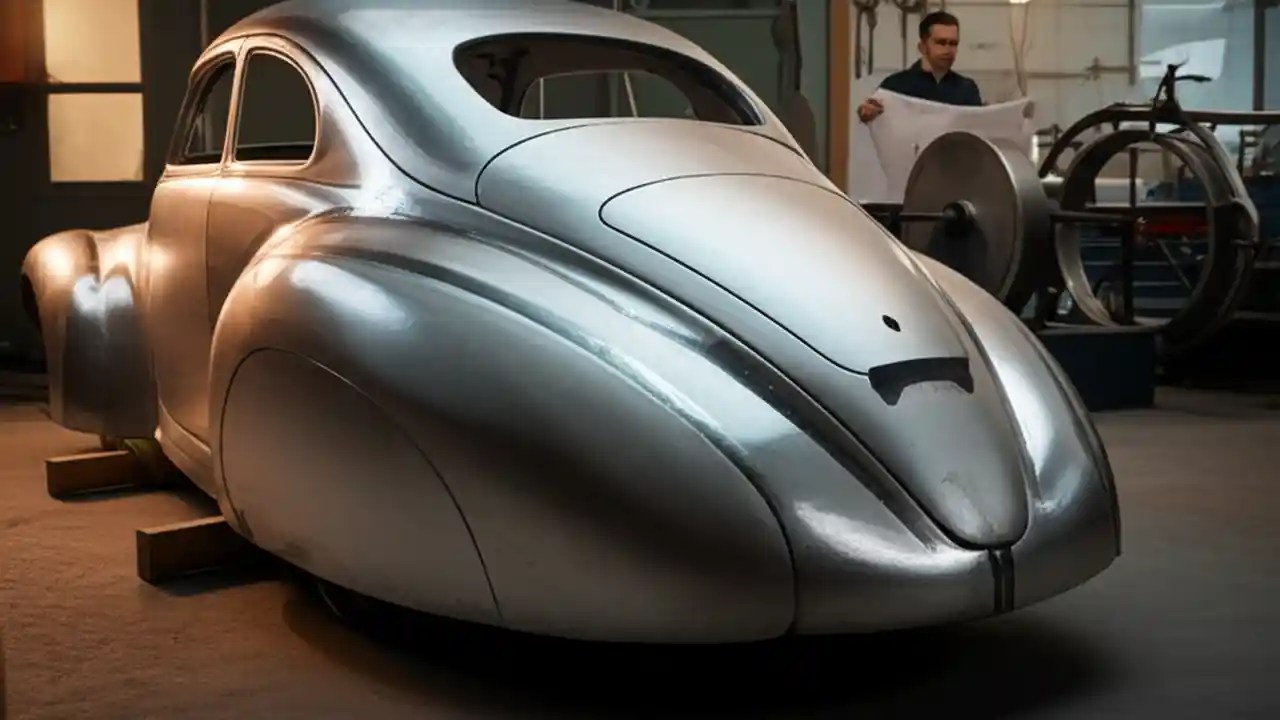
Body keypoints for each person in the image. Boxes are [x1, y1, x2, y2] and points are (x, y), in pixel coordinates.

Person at [858, 11, 983, 123]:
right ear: (922, 47)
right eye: (941, 42)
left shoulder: (967, 89)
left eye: (953, 43)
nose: (948, 49)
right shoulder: (895, 87)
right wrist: (867, 112)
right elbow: (870, 113)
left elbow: (978, 130)